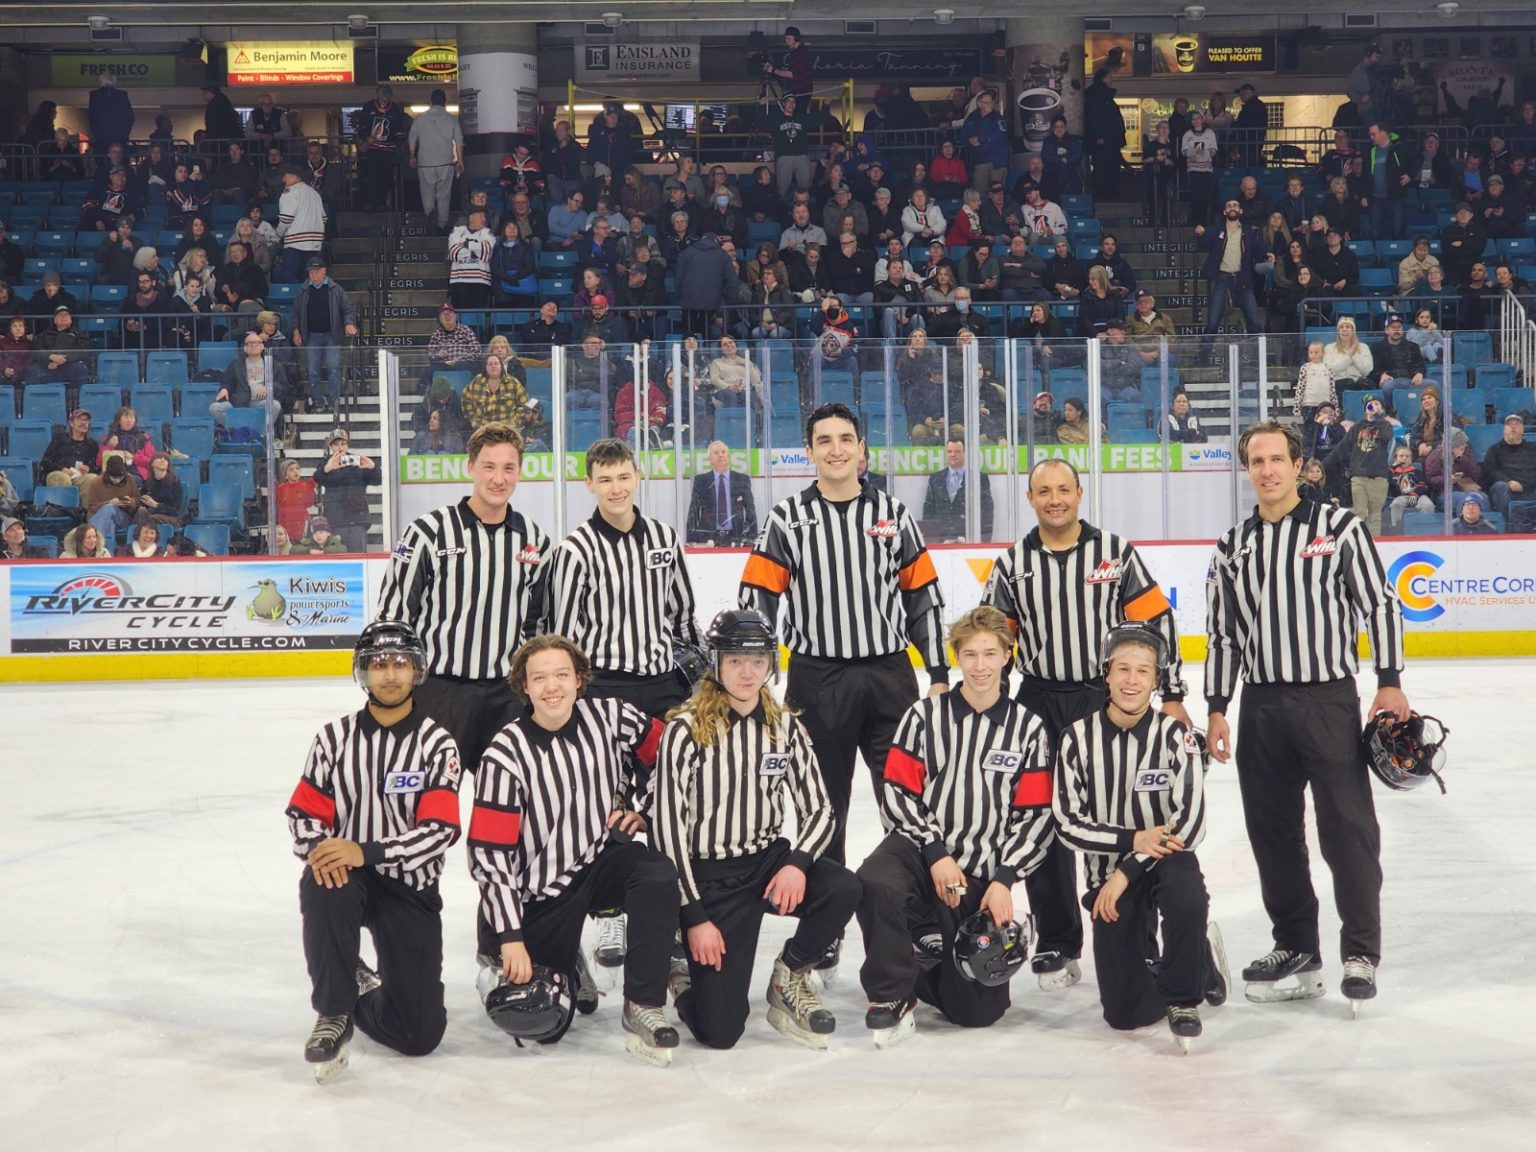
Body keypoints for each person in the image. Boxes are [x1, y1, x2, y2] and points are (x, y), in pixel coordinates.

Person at [741, 402, 949, 980]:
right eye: (824, 440)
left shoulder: (892, 514)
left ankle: (915, 916)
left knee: (905, 800)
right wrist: (757, 672)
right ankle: (826, 927)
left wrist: (937, 672)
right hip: (818, 679)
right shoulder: (787, 518)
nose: (836, 449)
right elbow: (757, 599)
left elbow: (923, 598)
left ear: (862, 449)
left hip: (888, 677)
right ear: (809, 452)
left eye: (846, 439)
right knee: (823, 808)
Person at [1205, 420, 1407, 1010]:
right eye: (1256, 461)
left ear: (1298, 465)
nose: (1267, 470)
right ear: (1247, 469)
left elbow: (1380, 604)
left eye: (1277, 459)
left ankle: (1360, 951)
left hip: (1327, 702)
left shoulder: (1339, 528)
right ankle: (1296, 946)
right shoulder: (1232, 545)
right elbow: (1222, 635)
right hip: (1261, 707)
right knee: (1273, 834)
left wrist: (1389, 682)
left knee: (1348, 830)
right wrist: (1217, 708)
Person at [982, 457, 1187, 989]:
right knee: (1042, 815)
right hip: (1038, 699)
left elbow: (1156, 622)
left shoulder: (1115, 553)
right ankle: (1058, 940)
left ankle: (1137, 930)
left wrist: (1172, 694)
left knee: (1120, 810)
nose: (1055, 499)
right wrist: (992, 703)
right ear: (1030, 499)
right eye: (1044, 491)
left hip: (1104, 699)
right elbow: (994, 638)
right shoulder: (1012, 563)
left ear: (1079, 493)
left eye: (1063, 490)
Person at [468, 634, 680, 1063]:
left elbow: (676, 753)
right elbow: (490, 856)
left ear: (579, 679)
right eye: (539, 678)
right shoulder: (505, 754)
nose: (552, 687)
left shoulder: (612, 716)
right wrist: (510, 938)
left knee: (656, 874)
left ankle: (643, 1003)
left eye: (562, 675)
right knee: (541, 1024)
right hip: (539, 892)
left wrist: (646, 810)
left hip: (601, 861)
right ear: (524, 686)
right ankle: (538, 961)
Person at [652, 609, 858, 1050]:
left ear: (771, 664)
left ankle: (790, 974)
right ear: (716, 663)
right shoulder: (685, 731)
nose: (747, 673)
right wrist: (695, 917)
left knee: (843, 887)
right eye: (735, 661)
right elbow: (668, 833)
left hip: (767, 864)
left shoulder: (785, 727)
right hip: (711, 880)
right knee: (720, 1032)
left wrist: (798, 863)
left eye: (758, 661)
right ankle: (681, 976)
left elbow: (821, 809)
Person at [855, 606, 1056, 1046]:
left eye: (990, 654)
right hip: (919, 850)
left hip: (979, 873)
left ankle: (922, 959)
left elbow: (1035, 817)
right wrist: (935, 852)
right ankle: (891, 993)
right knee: (874, 880)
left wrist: (1004, 880)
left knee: (977, 1012)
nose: (980, 666)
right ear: (956, 657)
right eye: (970, 655)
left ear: (1007, 656)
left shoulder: (1028, 729)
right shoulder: (923, 716)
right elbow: (897, 792)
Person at [286, 621, 460, 1081]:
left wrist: (366, 851)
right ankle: (334, 1011)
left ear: (417, 670)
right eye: (378, 664)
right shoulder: (333, 738)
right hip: (349, 879)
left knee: (419, 1035)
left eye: (400, 663)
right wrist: (323, 850)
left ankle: (360, 986)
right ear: (363, 672)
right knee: (322, 879)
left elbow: (439, 831)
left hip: (409, 887)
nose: (390, 674)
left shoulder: (437, 743)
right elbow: (302, 817)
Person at [1054, 622, 1225, 1047]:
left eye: (1143, 671)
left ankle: (1184, 997)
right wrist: (1131, 842)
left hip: (1164, 863)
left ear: (1156, 680)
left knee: (1186, 896)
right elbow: (1067, 823)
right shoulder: (1076, 739)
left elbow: (1190, 823)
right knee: (1125, 1015)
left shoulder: (1177, 737)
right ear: (1106, 674)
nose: (1132, 680)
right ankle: (1195, 961)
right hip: (1106, 879)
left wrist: (1128, 869)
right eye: (1123, 669)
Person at [376, 420, 546, 770]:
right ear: (470, 467)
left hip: (507, 696)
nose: (498, 479)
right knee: (429, 791)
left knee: (508, 793)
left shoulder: (534, 540)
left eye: (508, 468)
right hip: (439, 691)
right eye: (489, 467)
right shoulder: (427, 532)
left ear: (519, 471)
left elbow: (538, 624)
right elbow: (394, 618)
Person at [548, 437, 701, 722]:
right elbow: (563, 637)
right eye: (605, 480)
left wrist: (705, 674)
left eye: (623, 477)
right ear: (589, 483)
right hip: (603, 688)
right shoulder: (575, 550)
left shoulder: (664, 538)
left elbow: (683, 616)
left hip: (663, 685)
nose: (616, 489)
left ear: (637, 477)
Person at [292, 256, 359, 414]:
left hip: (332, 335)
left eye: (316, 272)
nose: (313, 275)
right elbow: (296, 313)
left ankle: (334, 401)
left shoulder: (336, 289)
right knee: (312, 370)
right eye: (311, 272)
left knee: (333, 368)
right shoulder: (303, 290)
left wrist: (349, 323)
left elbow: (349, 308)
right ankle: (318, 402)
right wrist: (296, 330)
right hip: (311, 335)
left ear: (324, 271)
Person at [1325, 392, 1393, 537]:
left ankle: (1374, 543)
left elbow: (1386, 437)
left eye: (1377, 404)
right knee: (1359, 512)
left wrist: (1375, 420)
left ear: (1382, 409)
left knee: (1375, 516)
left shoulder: (1385, 426)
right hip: (1359, 475)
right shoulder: (1356, 428)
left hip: (1378, 477)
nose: (1373, 406)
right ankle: (1358, 542)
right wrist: (1323, 466)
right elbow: (1341, 448)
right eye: (1370, 404)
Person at [1196, 199, 1263, 342]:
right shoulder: (1216, 230)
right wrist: (1200, 234)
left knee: (1254, 320)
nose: (1232, 208)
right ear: (1224, 211)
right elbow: (1201, 245)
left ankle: (1257, 353)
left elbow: (1258, 252)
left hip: (1243, 278)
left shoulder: (1249, 232)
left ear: (1240, 211)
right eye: (1229, 206)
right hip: (1222, 277)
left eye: (1235, 205)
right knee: (1213, 320)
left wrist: (1268, 254)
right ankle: (1204, 353)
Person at [313, 428, 381, 553]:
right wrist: (327, 468)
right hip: (335, 521)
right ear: (331, 446)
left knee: (358, 558)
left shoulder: (358, 461)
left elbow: (378, 480)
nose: (340, 448)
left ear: (347, 445)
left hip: (357, 520)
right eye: (335, 444)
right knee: (337, 558)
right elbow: (317, 478)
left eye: (343, 444)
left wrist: (373, 467)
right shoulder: (326, 463)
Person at [408, 89, 463, 234]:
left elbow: (412, 138)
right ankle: (441, 224)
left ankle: (430, 215)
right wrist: (460, 160)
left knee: (427, 193)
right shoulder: (451, 119)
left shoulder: (420, 119)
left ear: (430, 101)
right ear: (445, 102)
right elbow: (459, 141)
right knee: (443, 195)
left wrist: (412, 156)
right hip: (445, 163)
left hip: (425, 163)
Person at [686, 440, 758, 545]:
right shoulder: (701, 481)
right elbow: (694, 510)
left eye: (723, 452)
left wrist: (751, 536)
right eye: (716, 453)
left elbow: (750, 509)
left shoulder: (742, 479)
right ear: (710, 459)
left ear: (728, 456)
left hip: (737, 537)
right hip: (708, 539)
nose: (721, 455)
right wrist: (691, 538)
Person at [921, 438, 993, 542]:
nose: (953, 455)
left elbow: (987, 512)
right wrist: (930, 541)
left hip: (969, 540)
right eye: (949, 451)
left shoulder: (978, 478)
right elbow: (928, 512)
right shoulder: (935, 479)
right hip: (941, 542)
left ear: (964, 453)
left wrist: (983, 541)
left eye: (957, 451)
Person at [354, 85, 410, 212]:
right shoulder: (369, 107)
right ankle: (369, 202)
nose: (384, 100)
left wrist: (399, 144)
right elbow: (361, 125)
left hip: (389, 150)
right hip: (372, 149)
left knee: (384, 177)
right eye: (382, 98)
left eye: (386, 98)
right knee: (371, 176)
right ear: (377, 96)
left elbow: (399, 129)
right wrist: (366, 137)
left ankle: (382, 203)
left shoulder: (395, 109)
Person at [214, 332, 285, 429]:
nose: (254, 345)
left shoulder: (272, 364)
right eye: (250, 343)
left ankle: (259, 433)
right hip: (239, 403)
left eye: (257, 342)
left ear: (262, 346)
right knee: (215, 408)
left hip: (261, 403)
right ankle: (239, 429)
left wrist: (268, 387)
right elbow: (227, 382)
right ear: (245, 348)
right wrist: (224, 389)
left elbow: (283, 386)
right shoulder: (236, 364)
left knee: (275, 405)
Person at [275, 166, 328, 283]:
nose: (284, 180)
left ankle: (298, 295)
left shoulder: (290, 192)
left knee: (289, 276)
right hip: (314, 243)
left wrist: (278, 234)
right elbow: (324, 218)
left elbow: (286, 218)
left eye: (285, 176)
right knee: (308, 278)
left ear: (294, 177)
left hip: (295, 243)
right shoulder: (314, 193)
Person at [1482, 415, 1536, 521]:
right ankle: (1507, 525)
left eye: (1517, 424)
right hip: (1507, 492)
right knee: (1500, 486)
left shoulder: (1532, 449)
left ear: (1522, 429)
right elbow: (1490, 472)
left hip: (1531, 490)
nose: (1513, 427)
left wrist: (1526, 485)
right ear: (1504, 429)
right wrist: (1509, 482)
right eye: (1509, 424)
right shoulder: (1494, 450)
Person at [1371, 313, 1425, 414]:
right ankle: (1390, 413)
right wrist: (1382, 374)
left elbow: (1421, 365)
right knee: (1387, 386)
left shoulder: (1413, 346)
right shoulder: (1377, 348)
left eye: (1399, 327)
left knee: (1433, 385)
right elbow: (1374, 368)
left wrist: (1419, 373)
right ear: (1386, 330)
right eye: (1393, 327)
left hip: (1411, 382)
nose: (1396, 330)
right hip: (1392, 381)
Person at [1084, 69, 1126, 199]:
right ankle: (1106, 194)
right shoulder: (1099, 96)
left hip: (1106, 139)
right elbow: (1096, 116)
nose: (1112, 79)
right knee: (1106, 167)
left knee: (1105, 166)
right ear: (1104, 78)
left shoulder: (1096, 95)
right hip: (1105, 140)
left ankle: (1105, 193)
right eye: (1110, 77)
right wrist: (1098, 136)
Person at [84, 455, 140, 553]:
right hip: (98, 516)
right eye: (114, 478)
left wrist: (131, 502)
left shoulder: (130, 479)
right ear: (108, 474)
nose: (117, 480)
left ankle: (93, 543)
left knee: (110, 509)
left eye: (120, 477)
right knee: (109, 521)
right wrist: (108, 503)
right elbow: (91, 507)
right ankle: (108, 552)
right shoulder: (96, 482)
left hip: (122, 517)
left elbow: (137, 500)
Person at [1384, 444, 1433, 534]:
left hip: (1418, 495)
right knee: (1396, 504)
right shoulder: (1391, 472)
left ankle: (1426, 530)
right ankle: (1396, 529)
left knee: (1428, 505)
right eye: (1401, 456)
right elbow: (1389, 481)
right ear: (1395, 459)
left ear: (1410, 460)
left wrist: (1415, 494)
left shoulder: (1416, 471)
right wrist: (1394, 468)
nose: (1404, 458)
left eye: (1407, 456)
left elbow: (1423, 484)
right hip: (1401, 496)